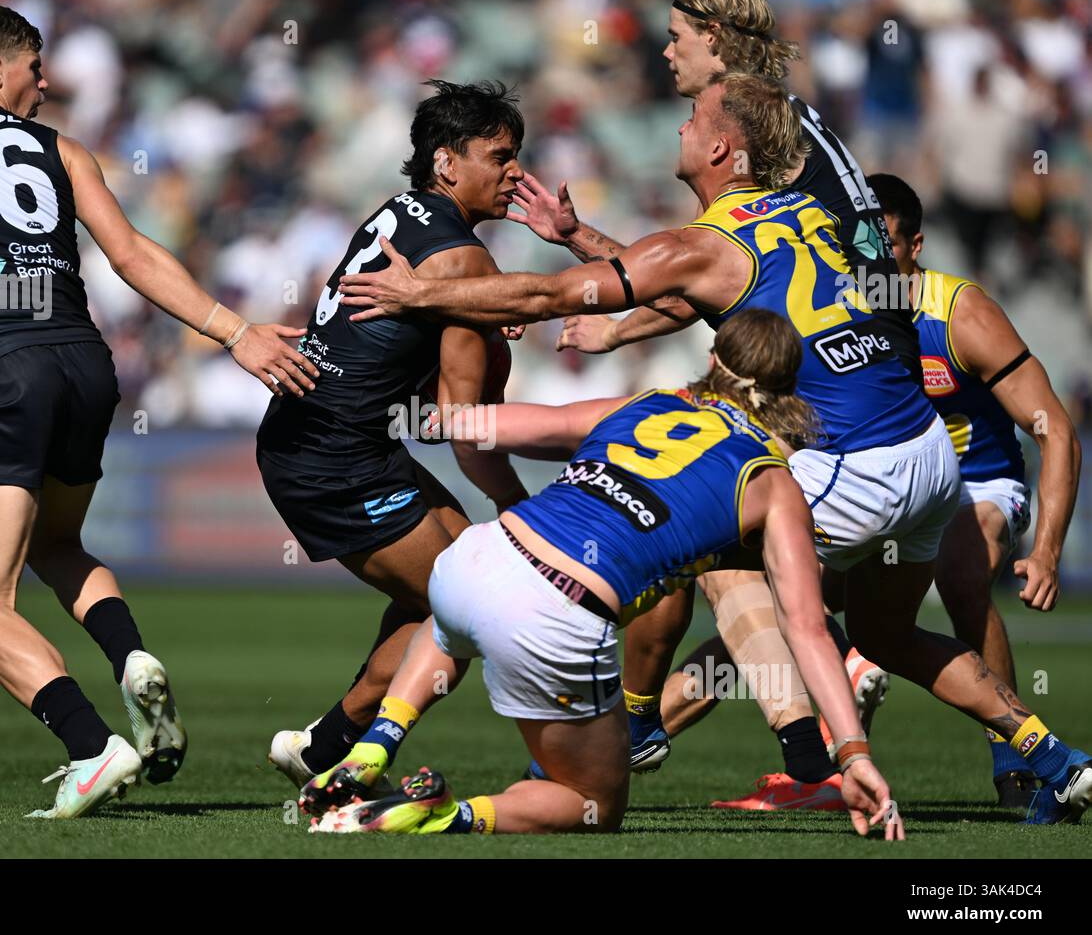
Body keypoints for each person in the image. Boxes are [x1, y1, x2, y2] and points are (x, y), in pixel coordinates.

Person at [338, 72, 1092, 825]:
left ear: (723, 147)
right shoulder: (802, 212)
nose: (679, 128)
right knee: (887, 632)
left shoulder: (707, 247)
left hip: (850, 463)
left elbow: (558, 296)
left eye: (692, 118)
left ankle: (697, 733)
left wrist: (422, 296)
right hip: (927, 453)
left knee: (688, 553)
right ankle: (1056, 761)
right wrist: (577, 238)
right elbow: (686, 282)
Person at [0, 3, 316, 818]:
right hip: (84, 364)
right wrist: (233, 331)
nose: (47, 79)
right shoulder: (62, 148)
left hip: (0, 373)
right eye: (34, 63)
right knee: (56, 542)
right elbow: (130, 255)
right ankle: (131, 660)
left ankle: (92, 746)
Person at [514, 0, 915, 800]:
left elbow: (710, 273)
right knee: (730, 555)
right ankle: (682, 726)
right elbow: (713, 279)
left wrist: (445, 298)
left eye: (675, 39)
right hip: (857, 377)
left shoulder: (752, 126)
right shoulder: (776, 122)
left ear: (717, 43)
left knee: (720, 536)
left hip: (843, 394)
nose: (664, 54)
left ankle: (800, 719)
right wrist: (599, 281)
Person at [300, 310, 900, 838]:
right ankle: (439, 815)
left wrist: (422, 412)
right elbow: (808, 630)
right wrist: (852, 755)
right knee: (592, 803)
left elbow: (513, 425)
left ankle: (377, 744)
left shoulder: (649, 401)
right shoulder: (775, 484)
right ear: (793, 388)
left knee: (449, 626)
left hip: (481, 556)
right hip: (556, 611)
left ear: (713, 360)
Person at [261, 81, 529, 791]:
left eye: (517, 157)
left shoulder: (398, 214)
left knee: (447, 586)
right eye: (499, 156)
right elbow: (463, 421)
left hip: (321, 435)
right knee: (466, 610)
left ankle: (327, 745)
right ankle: (338, 755)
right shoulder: (466, 262)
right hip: (338, 455)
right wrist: (519, 509)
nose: (515, 173)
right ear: (446, 163)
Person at [875, 172, 1082, 808]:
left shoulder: (961, 312)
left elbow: (1056, 430)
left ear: (916, 246)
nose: (871, 260)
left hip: (980, 480)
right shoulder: (837, 305)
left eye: (886, 245)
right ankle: (822, 756)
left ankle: (1016, 759)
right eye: (859, 244)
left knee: (963, 573)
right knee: (794, 583)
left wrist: (1045, 551)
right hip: (894, 483)